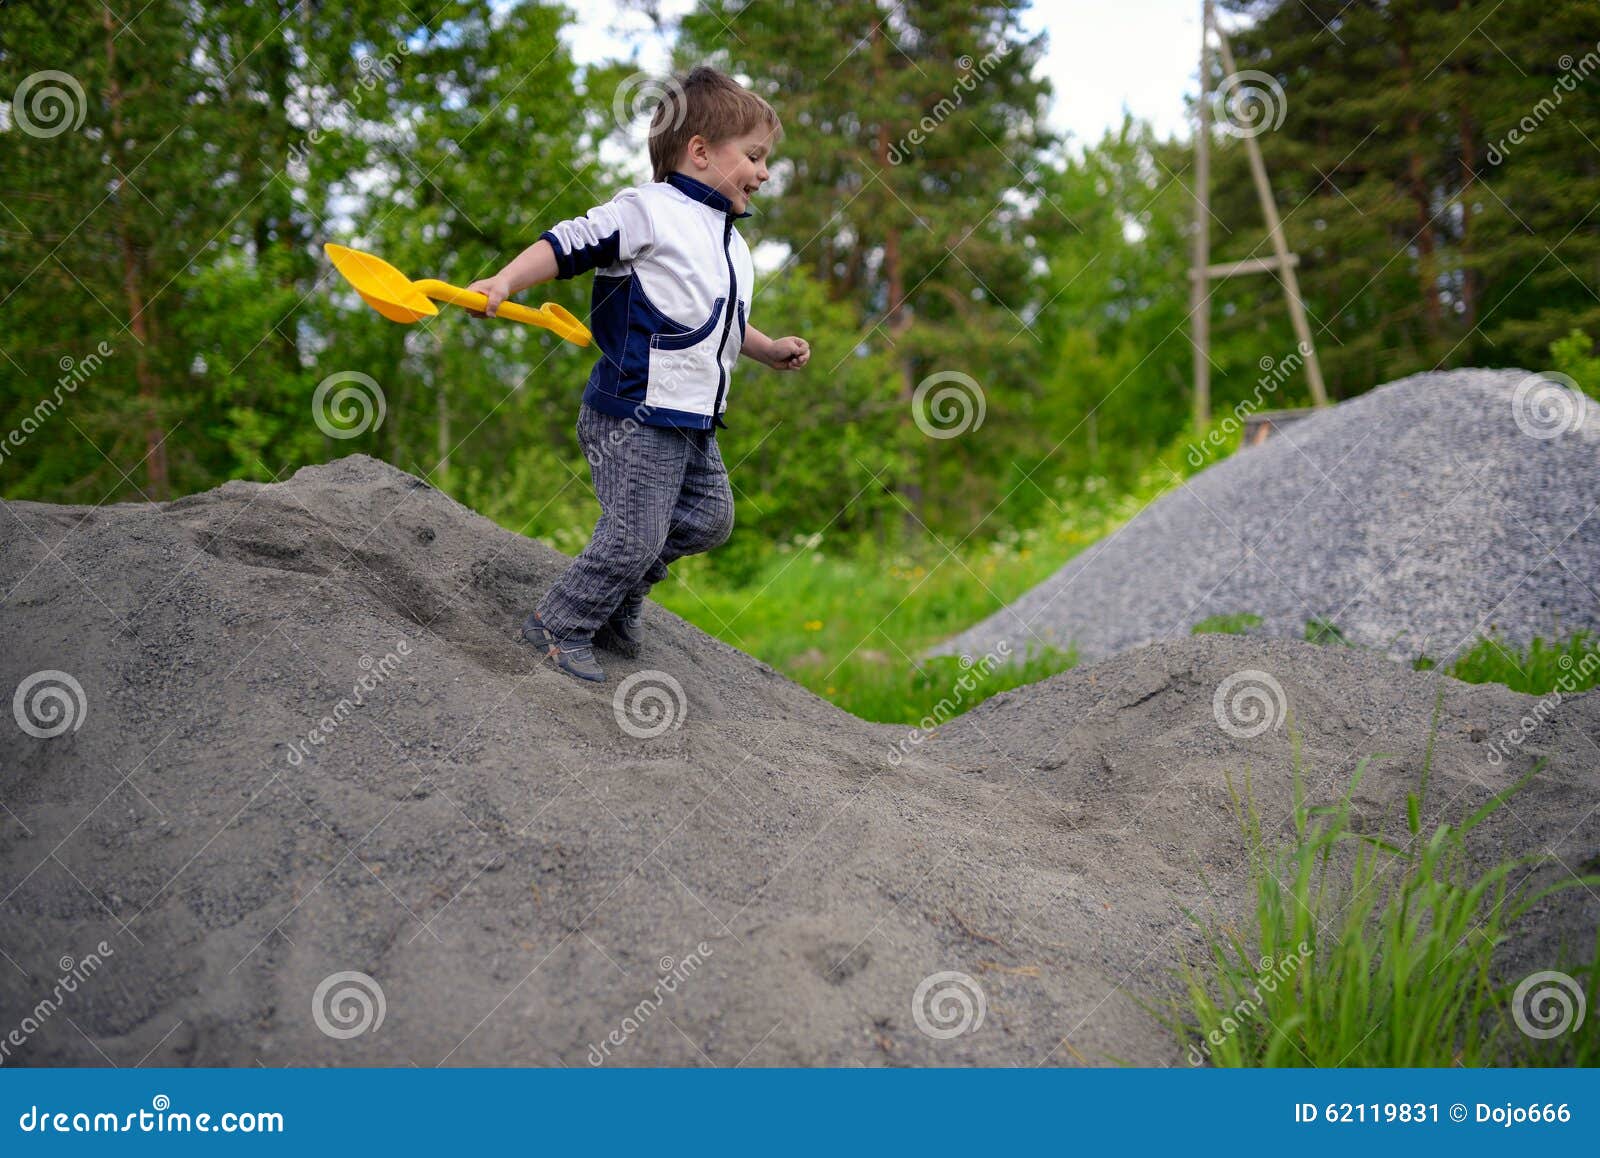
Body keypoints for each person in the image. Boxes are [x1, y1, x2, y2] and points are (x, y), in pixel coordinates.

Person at [468, 66, 810, 683]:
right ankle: (560, 622)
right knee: (635, 536)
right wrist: (506, 281)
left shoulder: (731, 243)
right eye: (755, 157)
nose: (764, 172)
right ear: (700, 151)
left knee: (710, 521)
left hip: (693, 417)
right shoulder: (649, 212)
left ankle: (618, 597)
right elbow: (570, 242)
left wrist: (767, 349)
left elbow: (718, 322)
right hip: (634, 411)